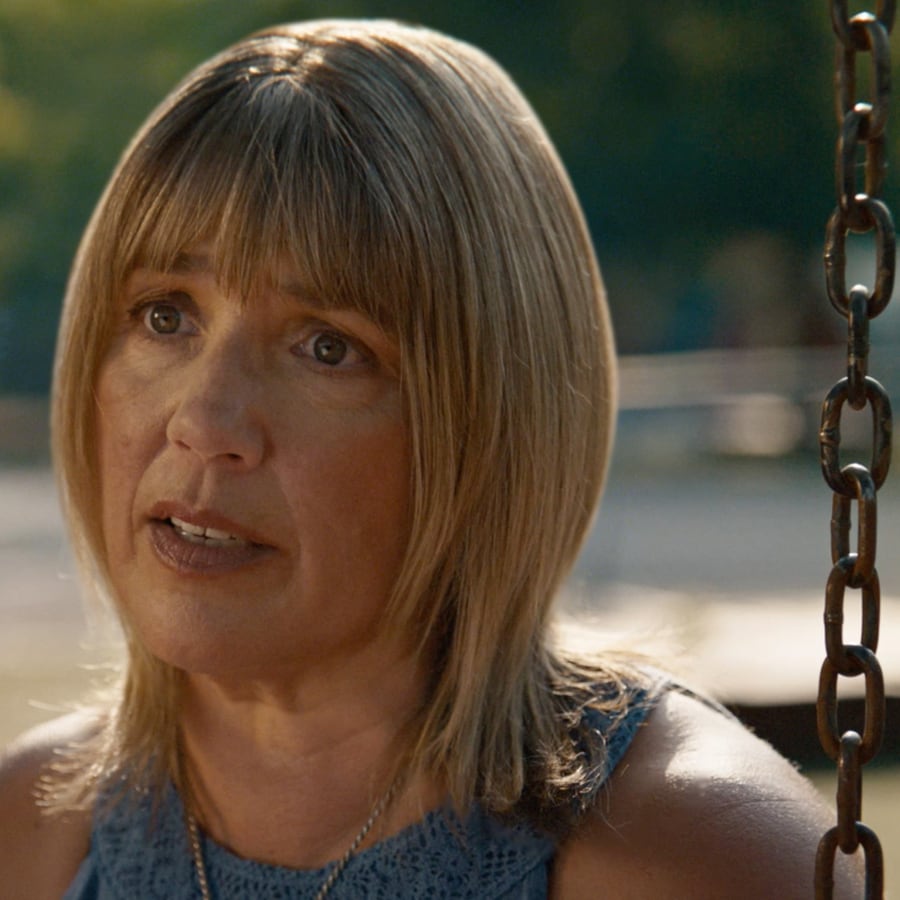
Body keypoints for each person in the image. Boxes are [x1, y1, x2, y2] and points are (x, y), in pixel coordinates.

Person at [0, 18, 861, 899]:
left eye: (327, 348)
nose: (205, 420)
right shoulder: (30, 834)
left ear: (491, 419)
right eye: (164, 316)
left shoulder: (692, 859)